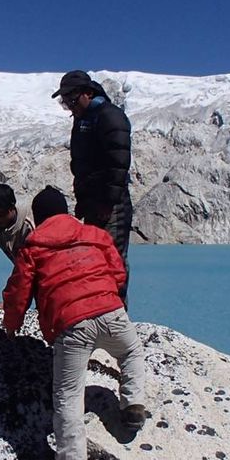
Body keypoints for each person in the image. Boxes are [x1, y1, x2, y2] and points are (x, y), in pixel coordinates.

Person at [2, 186, 147, 460]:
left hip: (72, 327)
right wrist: (107, 294)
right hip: (111, 312)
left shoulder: (33, 246)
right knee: (131, 352)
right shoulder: (95, 234)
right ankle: (132, 406)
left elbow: (19, 292)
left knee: (68, 394)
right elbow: (118, 272)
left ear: (40, 218)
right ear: (66, 211)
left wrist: (11, 324)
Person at [51, 70, 133, 301]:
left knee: (113, 257)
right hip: (94, 201)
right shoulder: (83, 118)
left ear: (88, 92)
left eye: (72, 100)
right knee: (94, 256)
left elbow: (118, 162)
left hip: (111, 204)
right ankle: (100, 311)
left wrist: (109, 200)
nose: (70, 106)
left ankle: (118, 314)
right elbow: (81, 164)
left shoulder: (109, 116)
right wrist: (83, 200)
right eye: (65, 103)